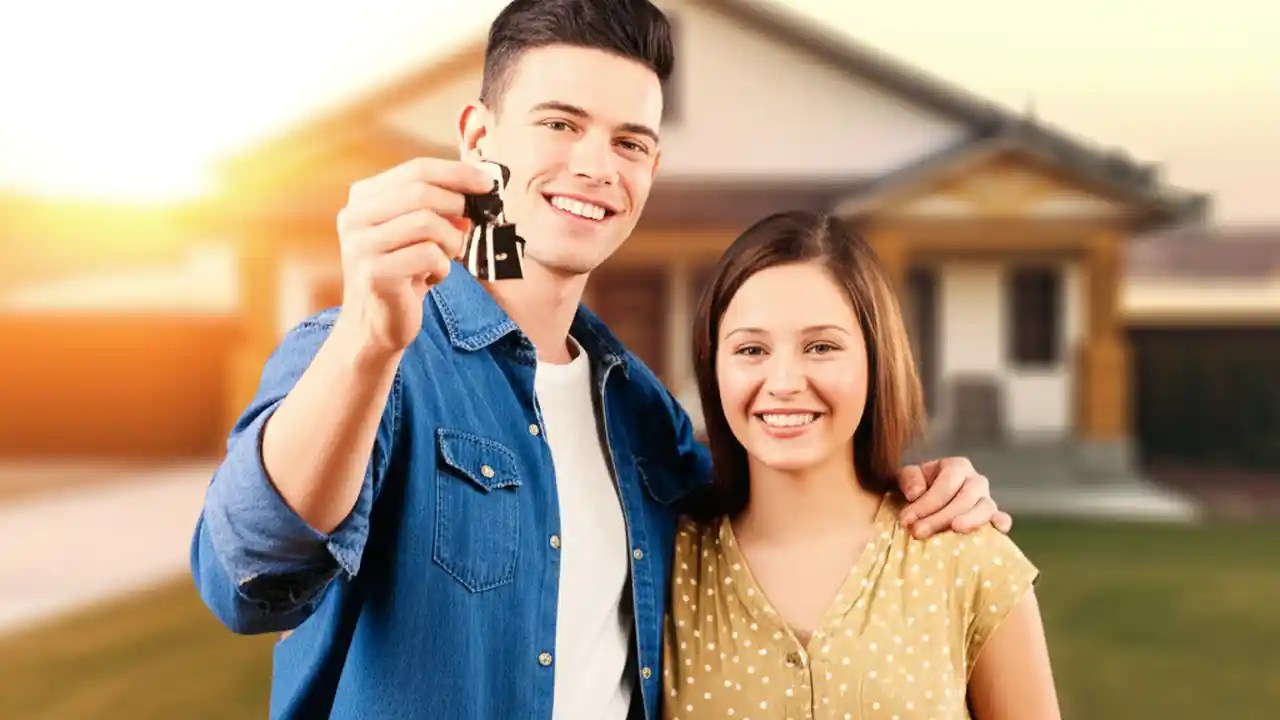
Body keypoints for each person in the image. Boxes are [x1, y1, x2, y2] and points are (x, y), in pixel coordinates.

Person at [189, 2, 1011, 718]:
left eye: (629, 141)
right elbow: (249, 575)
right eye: (560, 123)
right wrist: (369, 340)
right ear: (480, 136)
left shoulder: (644, 419)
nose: (595, 164)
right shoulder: (369, 359)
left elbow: (772, 510)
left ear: (651, 169)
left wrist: (915, 486)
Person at [663, 211, 1060, 719]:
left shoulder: (968, 561)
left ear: (877, 360)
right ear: (712, 366)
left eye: (821, 347)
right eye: (751, 349)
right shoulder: (665, 567)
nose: (783, 380)